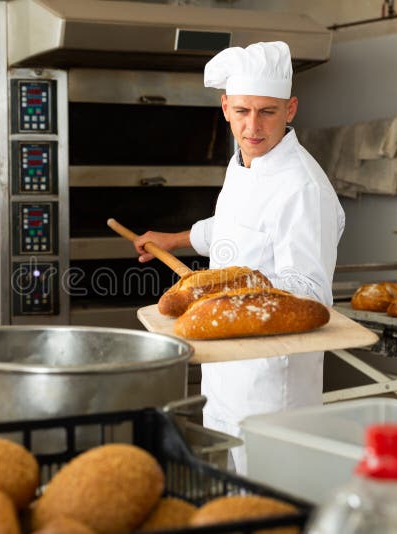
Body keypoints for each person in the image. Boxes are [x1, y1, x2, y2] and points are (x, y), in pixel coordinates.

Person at [133, 41, 345, 473]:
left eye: (267, 112)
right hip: (226, 371)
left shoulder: (302, 188)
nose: (254, 126)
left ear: (290, 110)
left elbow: (312, 295)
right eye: (244, 111)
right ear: (225, 107)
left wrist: (223, 294)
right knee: (234, 496)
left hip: (271, 383)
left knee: (273, 501)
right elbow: (231, 229)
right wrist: (173, 239)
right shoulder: (244, 162)